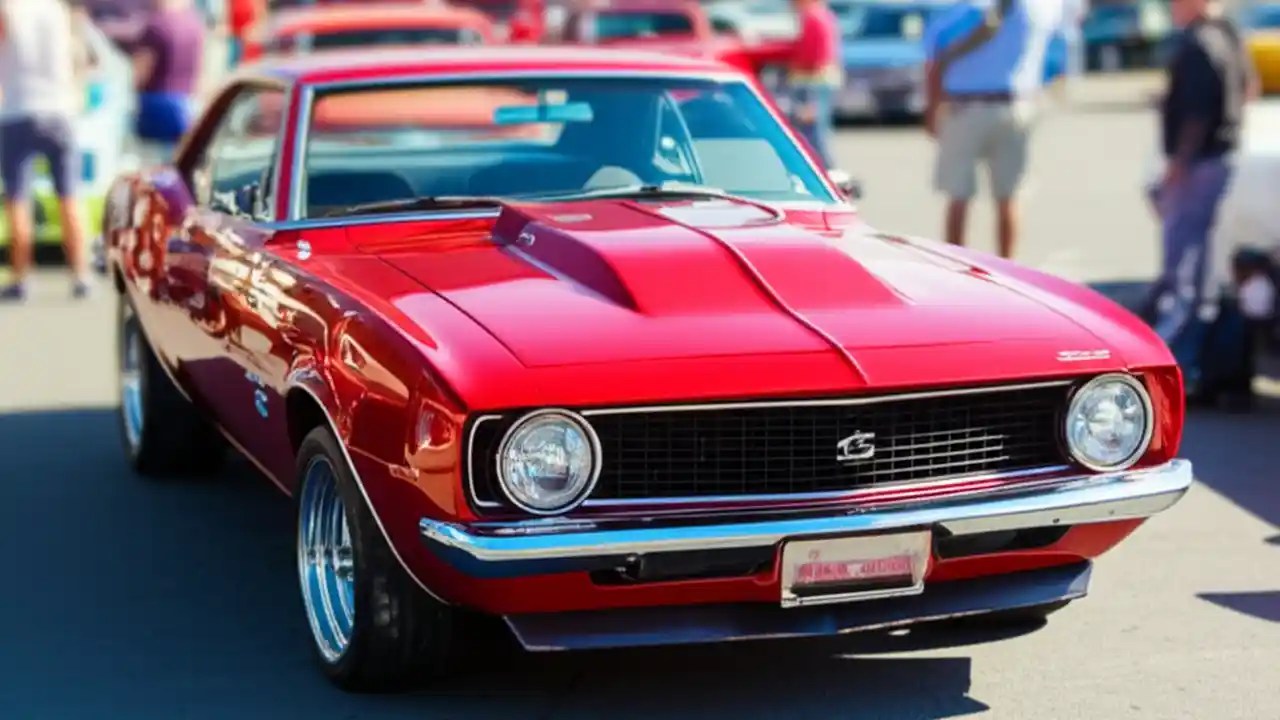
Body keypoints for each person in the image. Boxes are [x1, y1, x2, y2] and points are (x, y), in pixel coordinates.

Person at [1144, 0, 1252, 387]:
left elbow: (1197, 111)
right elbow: (1247, 88)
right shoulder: (1229, 35)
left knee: (1182, 264)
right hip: (1221, 156)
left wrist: (1177, 166)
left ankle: (1178, 357)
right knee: (1201, 255)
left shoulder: (1198, 44)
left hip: (1199, 162)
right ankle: (1193, 355)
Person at [921, 0, 1066, 259]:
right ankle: (1008, 265)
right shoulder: (1039, 10)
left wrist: (932, 109)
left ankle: (956, 264)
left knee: (959, 196)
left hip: (967, 108)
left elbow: (935, 59)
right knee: (1008, 198)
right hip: (1015, 105)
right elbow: (1056, 58)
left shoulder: (965, 12)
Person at [0, 0, 93, 301]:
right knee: (69, 194)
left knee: (18, 198)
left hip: (18, 107)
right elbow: (83, 55)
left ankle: (21, 276)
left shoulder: (8, 8)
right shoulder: (58, 9)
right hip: (59, 108)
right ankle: (81, 273)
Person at [132, 0, 204, 164]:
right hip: (187, 102)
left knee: (153, 166)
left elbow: (142, 71)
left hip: (156, 103)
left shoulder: (156, 25)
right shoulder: (195, 24)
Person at [786, 0, 842, 169]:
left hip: (812, 82)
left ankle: (826, 170)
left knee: (813, 135)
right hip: (819, 80)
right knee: (817, 133)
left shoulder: (813, 18)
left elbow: (812, 56)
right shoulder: (823, 15)